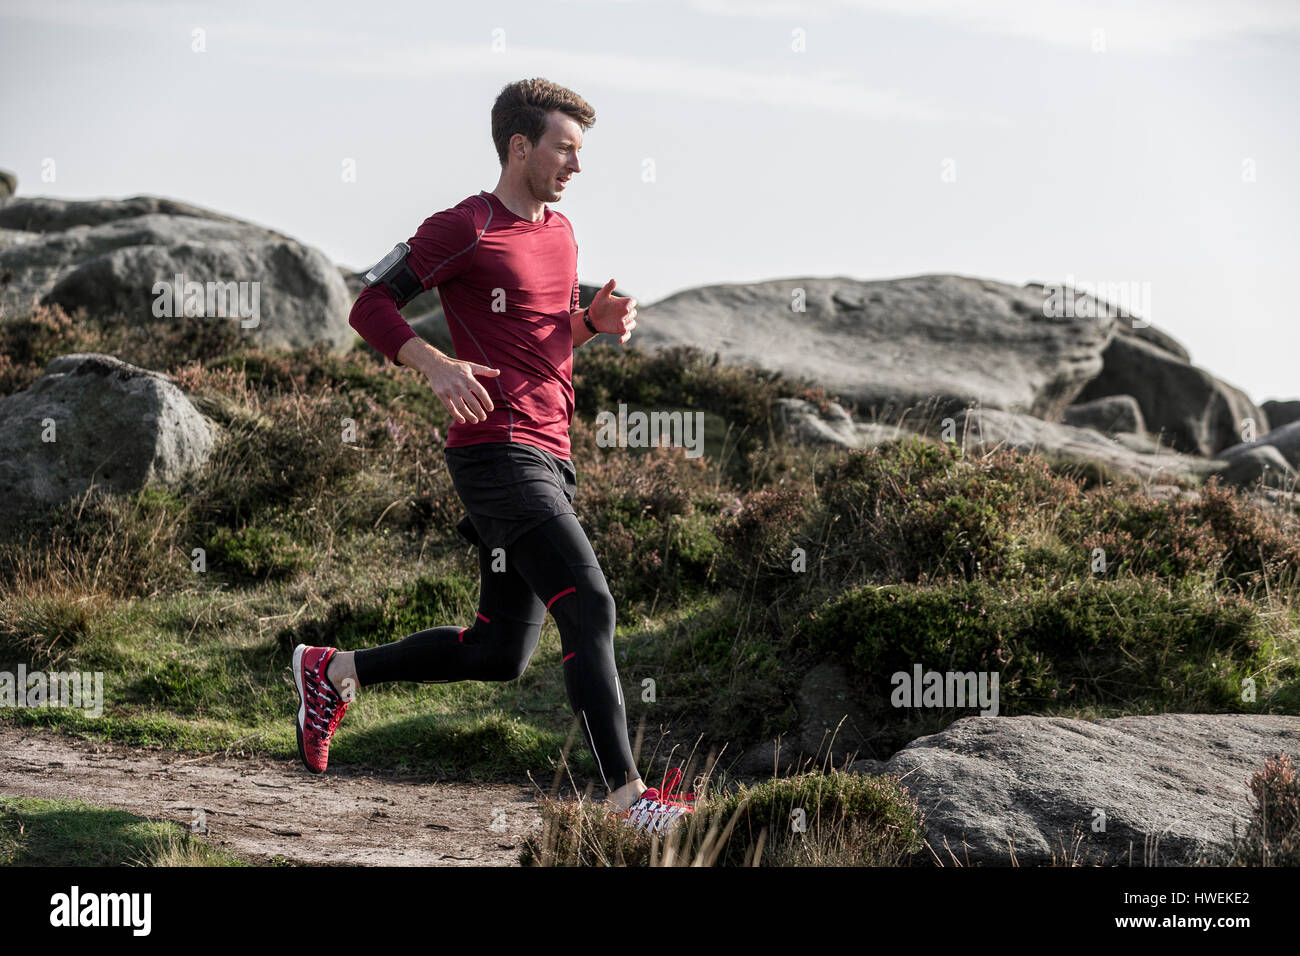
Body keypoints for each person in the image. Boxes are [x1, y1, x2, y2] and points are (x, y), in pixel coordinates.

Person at [291, 77, 692, 836]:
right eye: (564, 148)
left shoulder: (563, 232)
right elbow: (368, 302)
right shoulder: (465, 225)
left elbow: (539, 338)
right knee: (591, 603)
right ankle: (627, 801)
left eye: (581, 151)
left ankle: (331, 670)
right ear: (520, 145)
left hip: (551, 451)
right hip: (498, 453)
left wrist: (589, 324)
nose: (576, 164)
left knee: (498, 651)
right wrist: (434, 364)